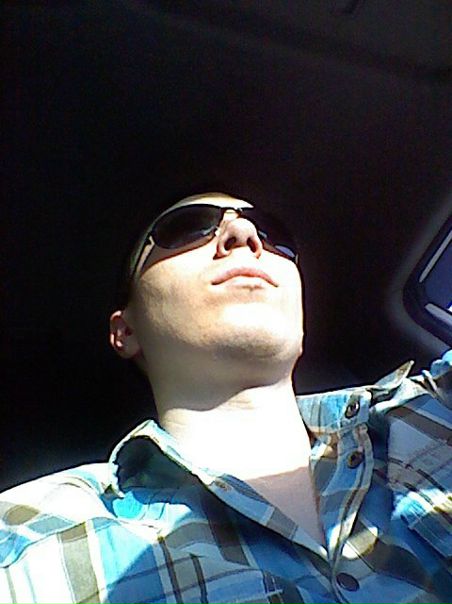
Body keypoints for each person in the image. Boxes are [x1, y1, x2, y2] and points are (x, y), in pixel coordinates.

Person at [0, 191, 451, 604]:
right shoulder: (29, 536)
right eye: (186, 228)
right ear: (126, 330)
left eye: (274, 234)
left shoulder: (433, 406)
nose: (245, 233)